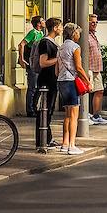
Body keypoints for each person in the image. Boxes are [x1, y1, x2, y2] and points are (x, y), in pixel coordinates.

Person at [56, 23, 89, 155]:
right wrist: (87, 81)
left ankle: (64, 143)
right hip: (70, 81)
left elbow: (56, 69)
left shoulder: (60, 47)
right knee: (74, 115)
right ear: (74, 33)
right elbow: (79, 68)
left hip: (61, 81)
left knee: (67, 115)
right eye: (78, 33)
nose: (79, 35)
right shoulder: (75, 47)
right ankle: (72, 145)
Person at [35, 18, 62, 148]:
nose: (62, 29)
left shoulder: (52, 43)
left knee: (48, 110)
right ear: (55, 28)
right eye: (60, 26)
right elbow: (43, 62)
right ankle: (42, 140)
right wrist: (58, 59)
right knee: (45, 110)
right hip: (46, 80)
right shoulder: (46, 43)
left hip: (51, 79)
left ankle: (47, 138)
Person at [18, 15, 45, 117]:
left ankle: (34, 107)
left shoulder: (41, 33)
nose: (44, 22)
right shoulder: (33, 32)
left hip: (38, 63)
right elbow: (22, 44)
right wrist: (22, 58)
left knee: (38, 87)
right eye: (42, 21)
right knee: (32, 87)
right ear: (38, 24)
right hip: (32, 63)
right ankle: (30, 110)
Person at [85, 14, 107, 126]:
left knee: (100, 90)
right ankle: (85, 115)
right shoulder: (85, 36)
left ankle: (96, 115)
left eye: (96, 22)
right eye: (92, 22)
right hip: (89, 68)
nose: (94, 24)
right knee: (85, 92)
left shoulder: (93, 35)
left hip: (97, 68)